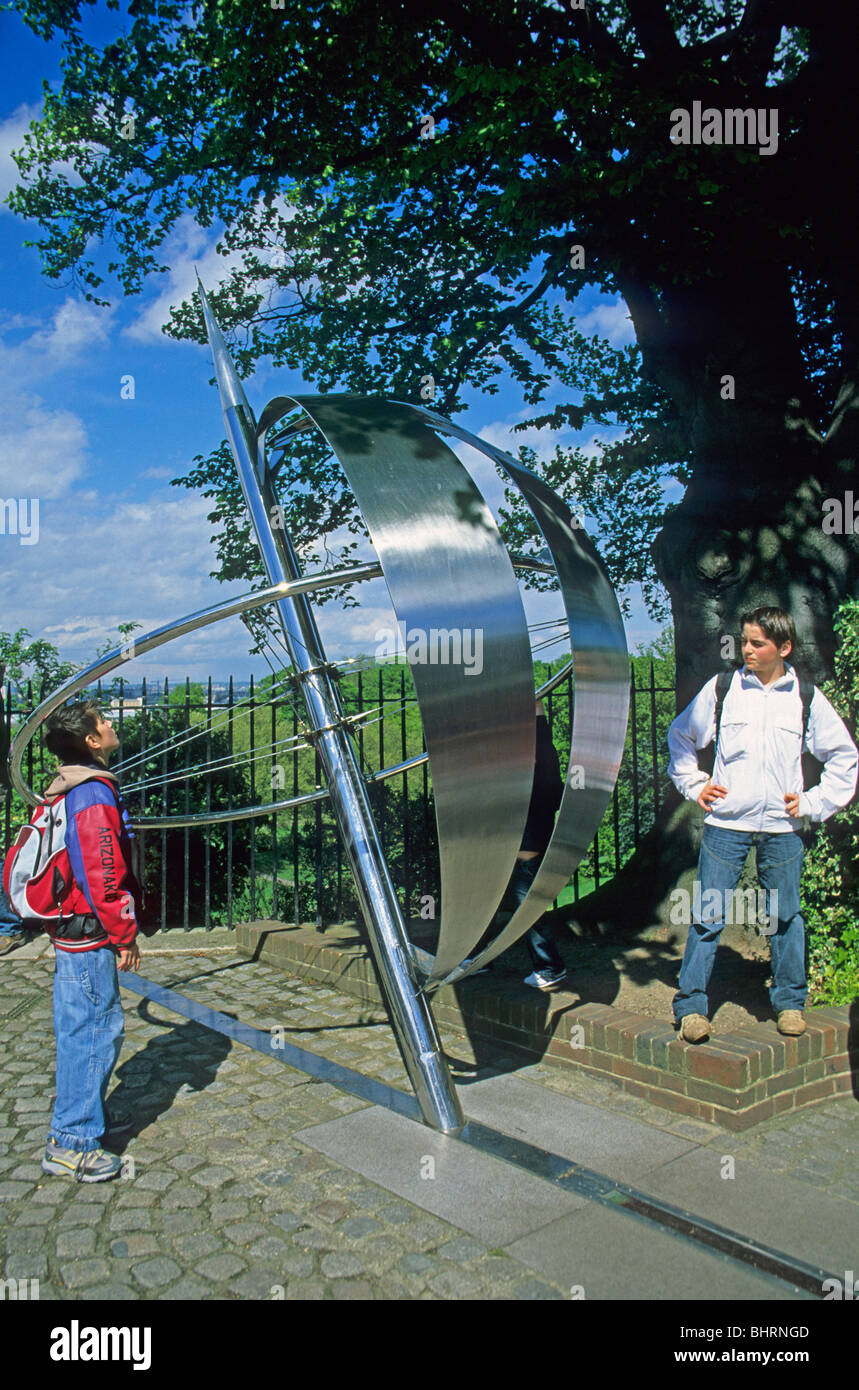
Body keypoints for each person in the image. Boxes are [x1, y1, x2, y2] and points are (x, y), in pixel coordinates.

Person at [667, 606, 858, 1043]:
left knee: (785, 916)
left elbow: (844, 757)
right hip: (727, 826)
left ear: (783, 647)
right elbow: (681, 735)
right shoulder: (723, 688)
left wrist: (813, 802)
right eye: (745, 640)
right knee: (707, 915)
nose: (745, 649)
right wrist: (695, 785)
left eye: (757, 643)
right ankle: (692, 1008)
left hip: (782, 829)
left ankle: (790, 1003)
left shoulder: (804, 696)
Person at [38, 699, 142, 1181]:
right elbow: (102, 871)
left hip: (71, 929)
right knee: (95, 1029)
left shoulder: (68, 787)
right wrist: (125, 934)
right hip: (89, 932)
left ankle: (85, 1121)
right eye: (101, 720)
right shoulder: (93, 795)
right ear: (91, 742)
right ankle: (72, 1140)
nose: (110, 723)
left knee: (83, 1025)